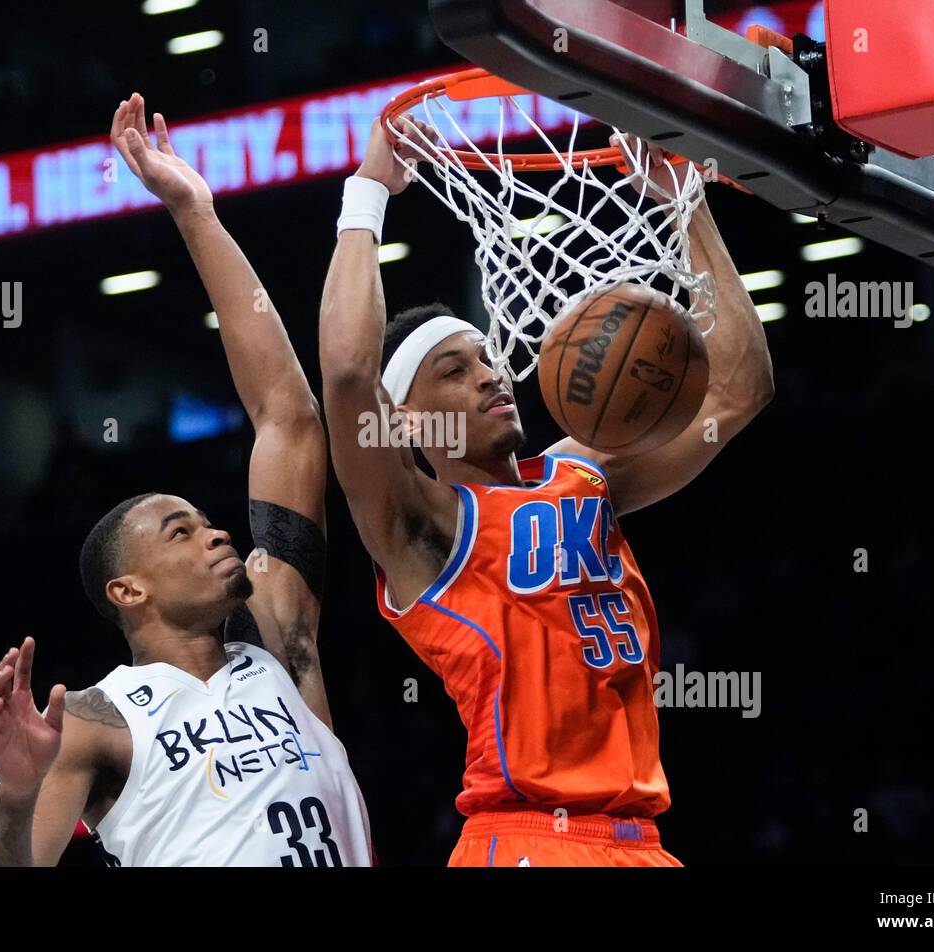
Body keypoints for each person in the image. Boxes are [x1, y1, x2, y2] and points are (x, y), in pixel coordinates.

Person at [317, 117, 774, 866]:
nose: (492, 374)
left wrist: (685, 202)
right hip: (526, 833)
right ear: (404, 421)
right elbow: (342, 376)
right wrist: (368, 192)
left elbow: (738, 392)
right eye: (454, 371)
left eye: (489, 357)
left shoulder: (584, 474)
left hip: (642, 839)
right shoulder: (422, 526)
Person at [0, 94, 371, 867]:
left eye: (205, 521)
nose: (218, 532)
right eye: (180, 531)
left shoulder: (279, 643)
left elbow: (287, 415)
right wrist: (16, 798)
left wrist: (196, 214)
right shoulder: (95, 720)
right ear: (128, 590)